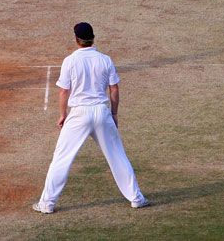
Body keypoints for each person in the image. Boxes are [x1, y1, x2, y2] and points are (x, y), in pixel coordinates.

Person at [32, 22, 149, 213]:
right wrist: (114, 114)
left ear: (76, 40)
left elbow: (63, 92)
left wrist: (63, 115)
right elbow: (114, 88)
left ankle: (46, 204)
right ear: (93, 38)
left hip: (78, 114)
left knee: (61, 159)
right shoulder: (105, 60)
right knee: (118, 156)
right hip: (101, 113)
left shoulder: (70, 61)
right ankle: (136, 198)